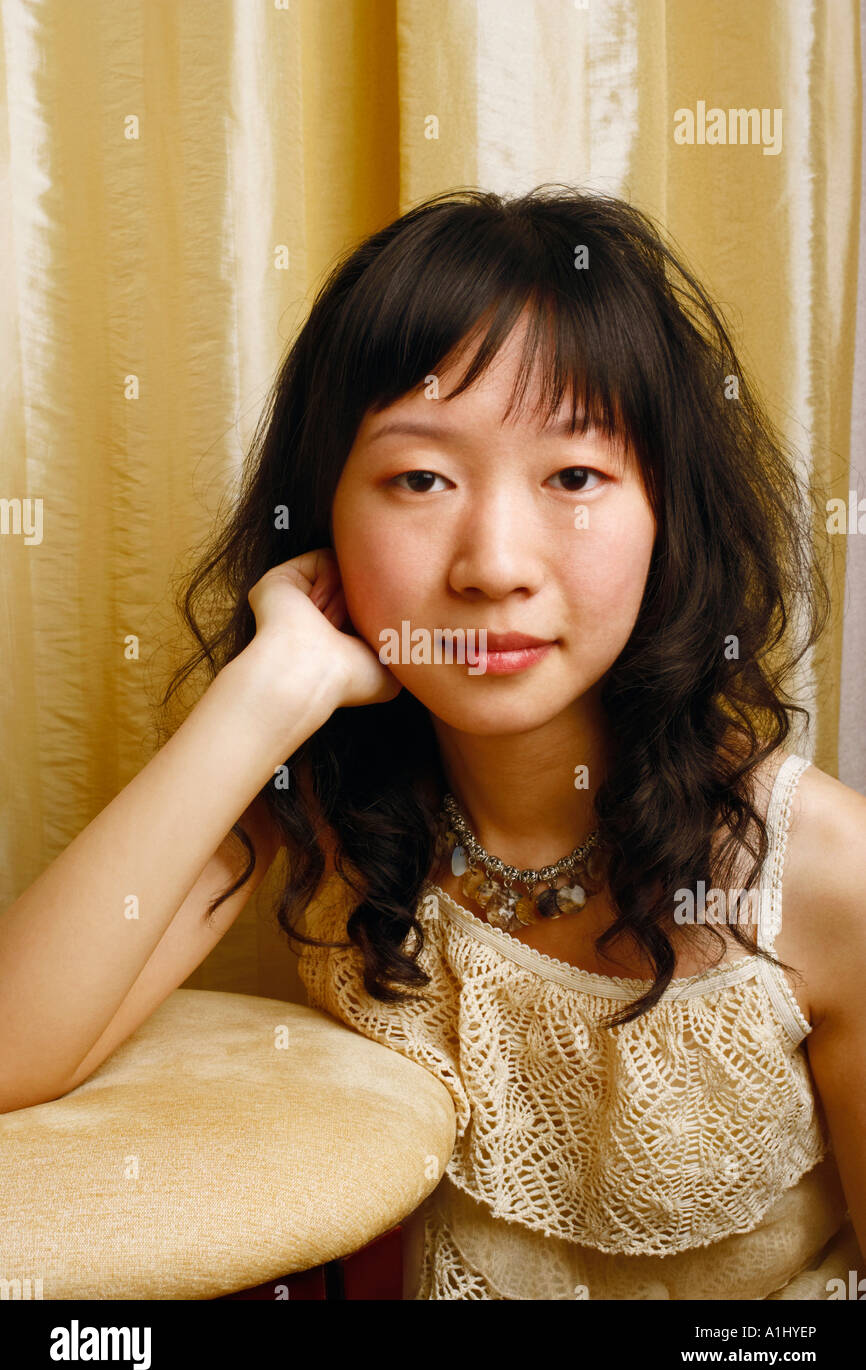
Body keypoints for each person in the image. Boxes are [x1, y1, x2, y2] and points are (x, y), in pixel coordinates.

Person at [1, 186, 864, 1300]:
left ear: (666, 515)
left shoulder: (822, 874)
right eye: (419, 478)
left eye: (574, 477)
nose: (493, 563)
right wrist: (268, 690)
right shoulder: (325, 801)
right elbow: (16, 1051)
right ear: (325, 514)